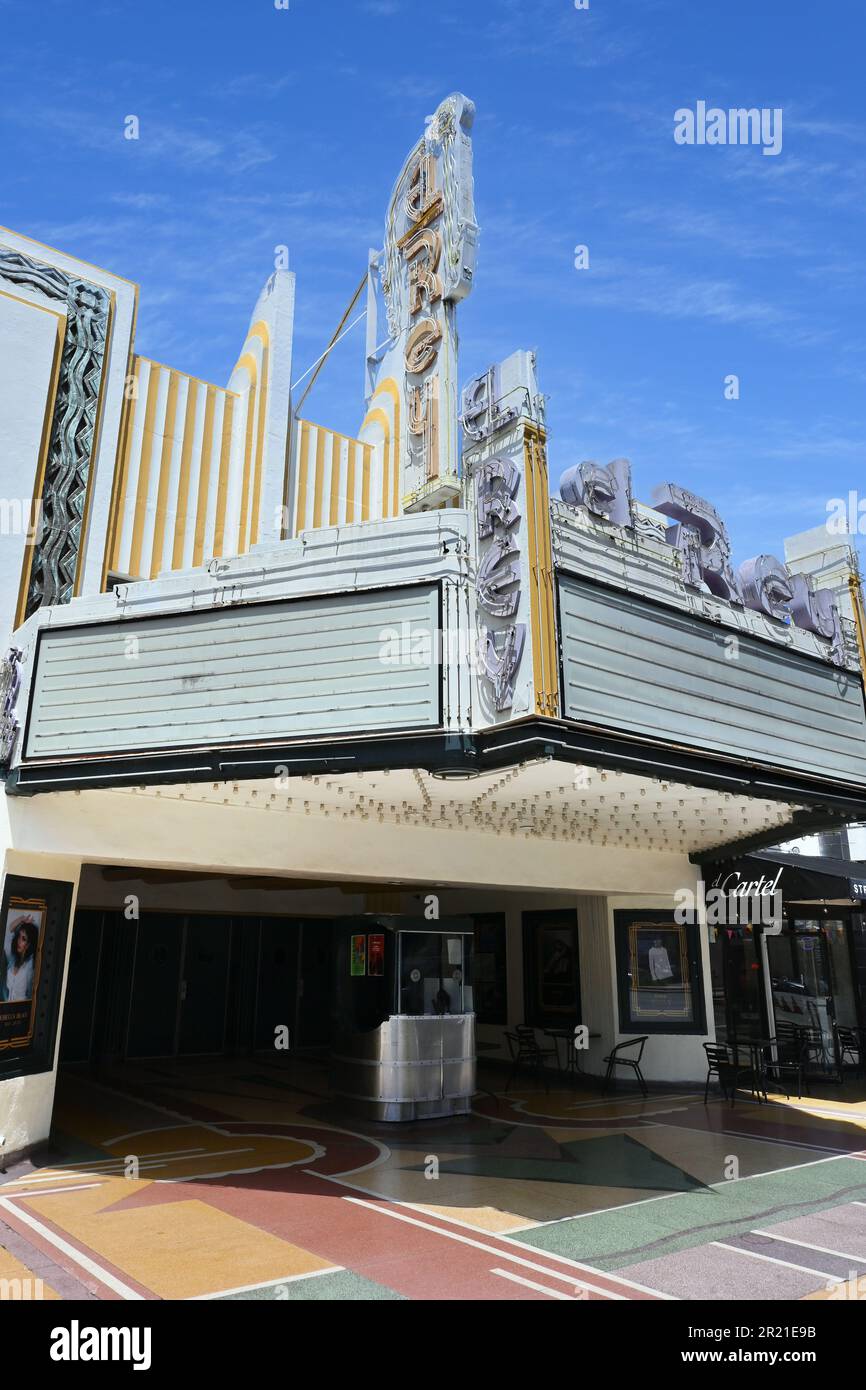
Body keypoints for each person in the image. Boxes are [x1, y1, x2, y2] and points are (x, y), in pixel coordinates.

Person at [5, 917, 38, 1002]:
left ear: (29, 944)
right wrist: (22, 919)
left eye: (24, 939)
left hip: (21, 1011)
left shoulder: (30, 965)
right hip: (6, 1009)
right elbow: (9, 929)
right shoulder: (12, 959)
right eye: (19, 936)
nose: (19, 941)